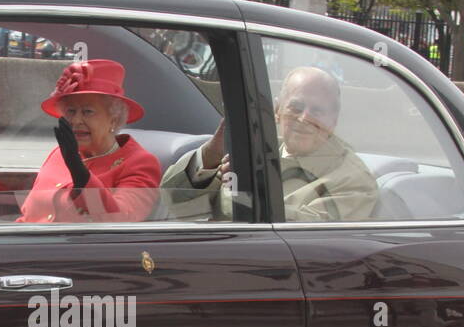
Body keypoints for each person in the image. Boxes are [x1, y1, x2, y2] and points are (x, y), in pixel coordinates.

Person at [162, 66, 378, 222]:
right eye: (296, 107)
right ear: (277, 111)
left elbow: (305, 237)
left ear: (334, 120)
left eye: (317, 111)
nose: (304, 118)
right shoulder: (254, 150)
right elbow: (172, 202)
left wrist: (240, 190)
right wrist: (211, 155)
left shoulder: (352, 179)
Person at [19, 59, 160, 222]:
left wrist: (80, 173)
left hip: (79, 246)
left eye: (87, 112)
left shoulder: (139, 164)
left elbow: (121, 219)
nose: (76, 120)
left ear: (113, 119)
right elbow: (28, 215)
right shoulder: (59, 153)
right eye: (71, 111)